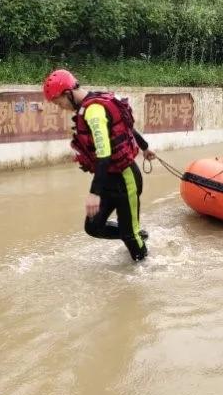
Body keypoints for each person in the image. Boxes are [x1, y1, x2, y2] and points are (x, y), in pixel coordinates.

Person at [43, 69, 156, 262]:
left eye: (59, 102)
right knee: (93, 226)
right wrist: (145, 147)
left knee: (129, 236)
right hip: (109, 179)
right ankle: (136, 233)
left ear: (68, 93)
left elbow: (104, 154)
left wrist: (94, 193)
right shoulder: (92, 103)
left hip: (125, 179)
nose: (61, 108)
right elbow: (126, 126)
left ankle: (146, 267)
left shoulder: (94, 111)